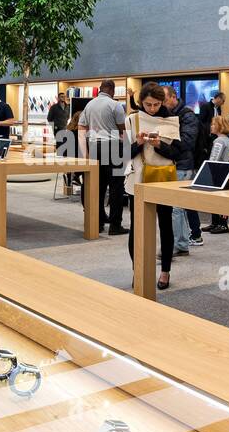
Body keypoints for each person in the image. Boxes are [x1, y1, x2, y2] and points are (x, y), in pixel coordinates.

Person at [125, 83, 180, 290]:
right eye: (148, 104)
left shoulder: (172, 121)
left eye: (156, 104)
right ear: (141, 102)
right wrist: (139, 143)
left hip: (164, 178)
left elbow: (179, 154)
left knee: (165, 226)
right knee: (136, 228)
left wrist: (160, 146)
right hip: (138, 178)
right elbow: (123, 155)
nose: (152, 108)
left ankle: (165, 272)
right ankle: (136, 270)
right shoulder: (133, 119)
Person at [77, 78, 129, 235]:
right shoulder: (115, 105)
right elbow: (123, 129)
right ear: (112, 91)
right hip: (112, 146)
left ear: (100, 89)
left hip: (94, 148)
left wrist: (84, 152)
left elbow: (81, 127)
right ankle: (115, 225)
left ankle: (97, 222)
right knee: (116, 188)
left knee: (97, 187)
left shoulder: (89, 105)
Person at [161, 85, 203, 253]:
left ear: (173, 97)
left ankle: (180, 245)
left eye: (163, 100)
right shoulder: (168, 114)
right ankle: (182, 242)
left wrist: (166, 140)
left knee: (177, 208)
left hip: (183, 165)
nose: (162, 104)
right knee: (176, 207)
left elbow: (187, 142)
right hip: (171, 164)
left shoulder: (187, 115)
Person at [205, 114, 229, 234]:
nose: (211, 126)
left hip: (218, 173)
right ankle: (217, 223)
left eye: (213, 124)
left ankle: (221, 224)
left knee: (219, 200)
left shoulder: (218, 141)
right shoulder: (227, 140)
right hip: (224, 172)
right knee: (219, 199)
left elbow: (214, 158)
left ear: (220, 126)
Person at [194, 89, 225, 174]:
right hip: (206, 136)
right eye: (223, 101)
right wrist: (209, 129)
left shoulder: (218, 109)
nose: (223, 103)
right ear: (218, 98)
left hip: (215, 136)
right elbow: (201, 122)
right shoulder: (205, 106)